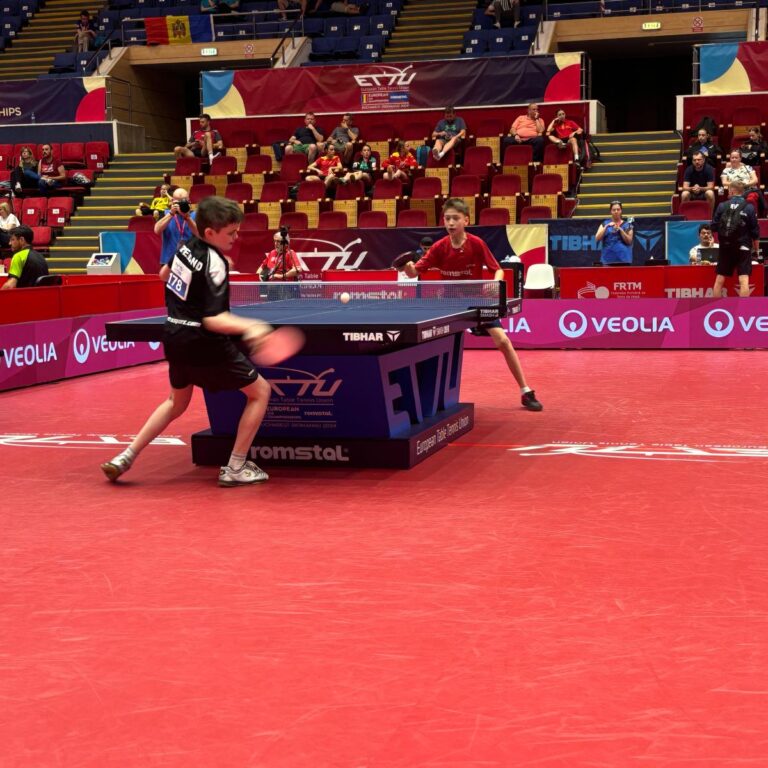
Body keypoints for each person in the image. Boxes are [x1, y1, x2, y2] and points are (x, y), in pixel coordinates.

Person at [101, 196, 274, 486]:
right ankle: (235, 466)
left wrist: (200, 274)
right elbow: (214, 320)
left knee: (175, 402)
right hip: (203, 340)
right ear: (209, 233)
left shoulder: (186, 248)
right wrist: (253, 327)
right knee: (260, 392)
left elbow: (163, 275)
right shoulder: (216, 263)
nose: (236, 237)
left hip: (174, 333)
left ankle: (126, 456)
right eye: (230, 233)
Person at [395, 197, 543, 412]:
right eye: (447, 219)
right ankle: (425, 398)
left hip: (476, 301)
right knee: (431, 346)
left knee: (503, 341)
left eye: (455, 218)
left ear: (466, 220)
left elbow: (497, 269)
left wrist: (496, 283)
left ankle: (525, 391)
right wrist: (406, 267)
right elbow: (414, 272)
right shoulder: (439, 247)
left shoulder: (476, 243)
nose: (450, 223)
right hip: (449, 303)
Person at [711, 180, 759, 298]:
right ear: (742, 192)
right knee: (743, 279)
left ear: (731, 191)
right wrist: (756, 249)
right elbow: (755, 231)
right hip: (743, 246)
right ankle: (743, 311)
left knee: (719, 280)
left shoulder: (722, 205)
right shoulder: (749, 207)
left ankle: (713, 309)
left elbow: (714, 226)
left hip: (725, 246)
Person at [154, 187, 198, 267]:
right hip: (168, 260)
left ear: (189, 202)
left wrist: (187, 218)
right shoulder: (165, 213)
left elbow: (199, 234)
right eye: (178, 203)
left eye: (184, 202)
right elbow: (157, 230)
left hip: (191, 261)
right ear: (172, 202)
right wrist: (171, 214)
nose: (181, 205)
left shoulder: (195, 215)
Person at [1, 225, 48, 289]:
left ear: (22, 240)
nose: (9, 243)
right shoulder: (40, 256)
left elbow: (10, 285)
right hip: (43, 296)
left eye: (12, 240)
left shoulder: (19, 256)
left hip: (26, 296)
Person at [720, 148, 761, 214]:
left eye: (736, 157)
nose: (734, 159)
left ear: (740, 159)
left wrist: (744, 185)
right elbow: (724, 182)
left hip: (748, 189)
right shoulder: (726, 170)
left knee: (752, 196)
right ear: (730, 158)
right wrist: (738, 185)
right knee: (756, 191)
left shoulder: (748, 167)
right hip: (735, 191)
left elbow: (755, 180)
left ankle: (753, 216)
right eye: (732, 157)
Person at [595, 200, 634, 265]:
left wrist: (620, 229)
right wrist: (606, 227)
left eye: (618, 209)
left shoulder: (628, 225)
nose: (616, 211)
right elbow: (597, 238)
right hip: (607, 260)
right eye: (614, 210)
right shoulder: (604, 224)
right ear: (611, 211)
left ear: (621, 211)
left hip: (624, 260)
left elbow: (629, 241)